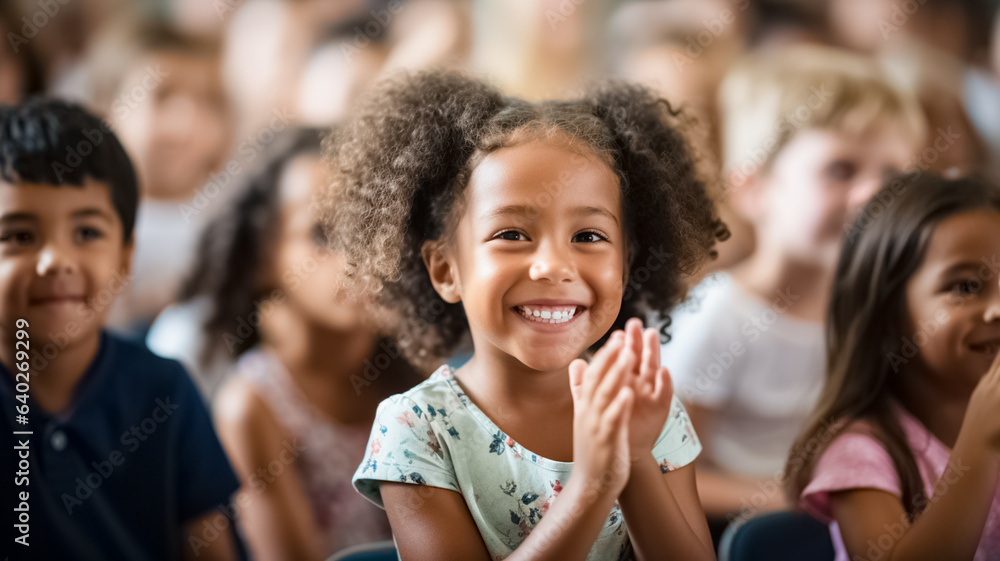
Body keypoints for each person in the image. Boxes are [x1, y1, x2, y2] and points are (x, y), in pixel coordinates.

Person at [330, 70, 727, 560]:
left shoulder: (645, 407)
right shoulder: (417, 427)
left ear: (625, 266)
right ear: (445, 269)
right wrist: (594, 484)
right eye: (512, 234)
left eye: (588, 236)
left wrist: (636, 457)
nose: (554, 266)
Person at [660, 45, 926, 529]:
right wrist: (795, 503)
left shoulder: (879, 308)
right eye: (840, 169)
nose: (872, 194)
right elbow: (666, 475)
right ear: (755, 188)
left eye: (891, 174)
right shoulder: (719, 317)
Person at [0, 99, 242, 560]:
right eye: (19, 236)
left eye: (87, 233)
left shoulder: (164, 391)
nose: (56, 261)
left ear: (126, 258)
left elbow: (211, 547)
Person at [175, 128, 419, 559]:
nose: (356, 258)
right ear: (261, 259)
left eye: (373, 225)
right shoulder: (254, 406)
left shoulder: (425, 375)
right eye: (323, 234)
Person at [787, 173, 1000, 561]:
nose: (997, 308)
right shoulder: (860, 450)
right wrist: (982, 442)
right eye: (966, 287)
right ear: (887, 315)